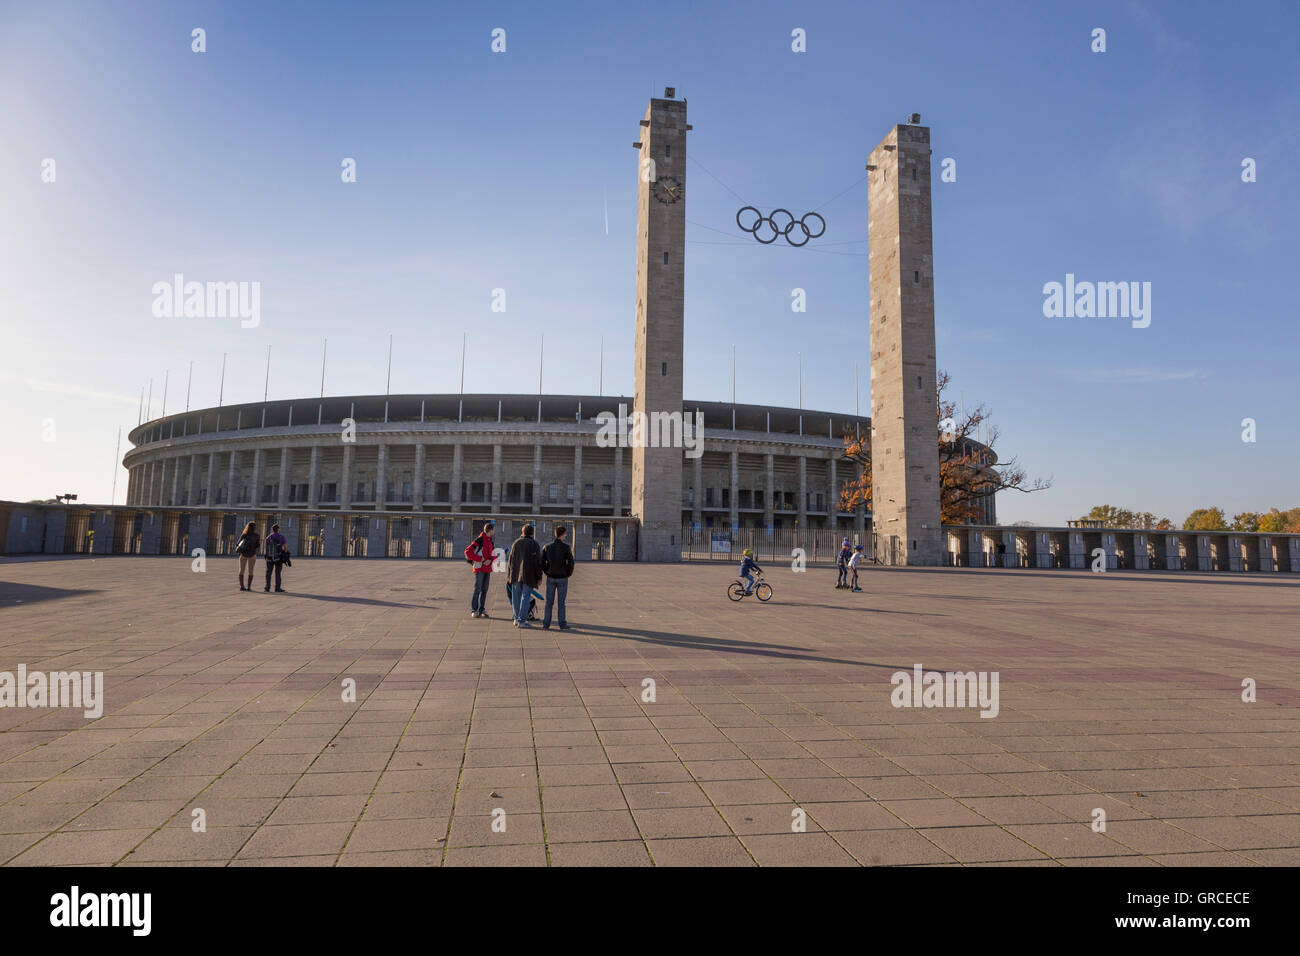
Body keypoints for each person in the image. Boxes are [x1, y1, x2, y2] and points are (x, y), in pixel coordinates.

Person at [506, 524, 543, 628]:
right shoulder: (534, 544)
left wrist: (509, 574)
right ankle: (522, 620)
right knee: (525, 597)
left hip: (515, 574)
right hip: (529, 575)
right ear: (532, 533)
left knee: (516, 597)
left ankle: (516, 619)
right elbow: (538, 562)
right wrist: (539, 577)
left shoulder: (516, 543)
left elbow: (510, 560)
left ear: (523, 532)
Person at [540, 524, 575, 631]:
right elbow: (571, 563)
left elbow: (542, 562)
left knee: (549, 602)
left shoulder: (547, 547)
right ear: (563, 534)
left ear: (555, 534)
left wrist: (547, 571)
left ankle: (546, 624)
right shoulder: (566, 547)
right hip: (562, 577)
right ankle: (562, 624)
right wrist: (568, 573)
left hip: (551, 577)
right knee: (561, 603)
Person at [464, 520, 497, 618]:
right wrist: (482, 560)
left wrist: (491, 560)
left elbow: (493, 554)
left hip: (487, 569)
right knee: (477, 589)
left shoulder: (491, 541)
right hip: (479, 568)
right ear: (490, 530)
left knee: (485, 590)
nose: (494, 532)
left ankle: (482, 609)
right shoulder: (479, 540)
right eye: (493, 530)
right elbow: (468, 551)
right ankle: (474, 610)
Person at [234, 521, 260, 591]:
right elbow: (258, 546)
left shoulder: (244, 535)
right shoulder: (257, 536)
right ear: (255, 528)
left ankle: (242, 586)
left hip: (243, 554)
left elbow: (238, 544)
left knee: (241, 571)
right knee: (251, 571)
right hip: (252, 555)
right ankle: (249, 587)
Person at [264, 523, 289, 592]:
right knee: (278, 572)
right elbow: (285, 548)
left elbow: (266, 547)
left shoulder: (268, 537)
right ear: (278, 529)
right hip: (278, 557)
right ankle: (277, 588)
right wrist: (285, 553)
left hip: (269, 557)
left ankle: (267, 587)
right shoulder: (281, 537)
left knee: (268, 572)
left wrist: (267, 555)